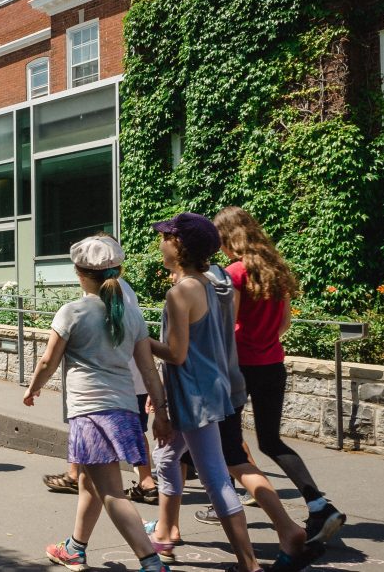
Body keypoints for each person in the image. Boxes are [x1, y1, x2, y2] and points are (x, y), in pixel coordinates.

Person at [24, 235, 174, 572]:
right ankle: (75, 548)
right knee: (89, 482)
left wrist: (33, 388)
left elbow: (48, 360)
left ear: (79, 271)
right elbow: (149, 369)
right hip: (122, 409)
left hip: (90, 412)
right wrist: (161, 412)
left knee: (111, 492)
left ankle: (151, 562)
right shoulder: (131, 316)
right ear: (117, 271)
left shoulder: (73, 312)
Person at [214, 206, 346, 543]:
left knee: (226, 440)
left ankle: (225, 504)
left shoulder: (235, 273)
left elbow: (226, 326)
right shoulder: (276, 270)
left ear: (230, 237)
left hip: (239, 366)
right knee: (271, 440)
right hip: (272, 363)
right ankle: (318, 504)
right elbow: (284, 323)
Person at [144, 212, 265, 572]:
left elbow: (177, 354)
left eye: (165, 236)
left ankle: (250, 564)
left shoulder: (181, 292)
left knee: (213, 475)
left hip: (193, 397)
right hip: (209, 390)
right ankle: (165, 533)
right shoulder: (212, 284)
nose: (160, 242)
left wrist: (139, 340)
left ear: (179, 245)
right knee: (166, 458)